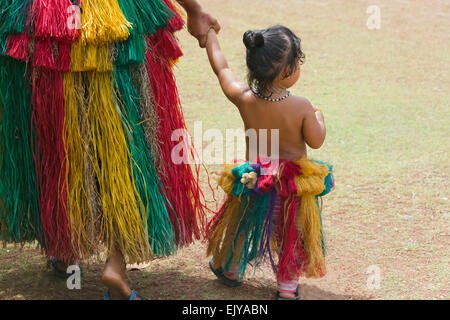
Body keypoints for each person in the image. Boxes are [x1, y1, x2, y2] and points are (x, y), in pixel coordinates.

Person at [0, 0, 219, 300]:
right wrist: (194, 10)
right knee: (129, 146)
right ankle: (115, 265)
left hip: (48, 22)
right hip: (116, 19)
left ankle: (66, 247)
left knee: (57, 139)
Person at [204, 25, 334, 300]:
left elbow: (222, 69)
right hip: (290, 190)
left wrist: (210, 36)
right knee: (291, 238)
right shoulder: (301, 105)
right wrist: (318, 115)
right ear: (286, 71)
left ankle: (230, 271)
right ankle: (287, 290)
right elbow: (316, 139)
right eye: (296, 62)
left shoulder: (244, 98)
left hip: (254, 182)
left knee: (242, 229)